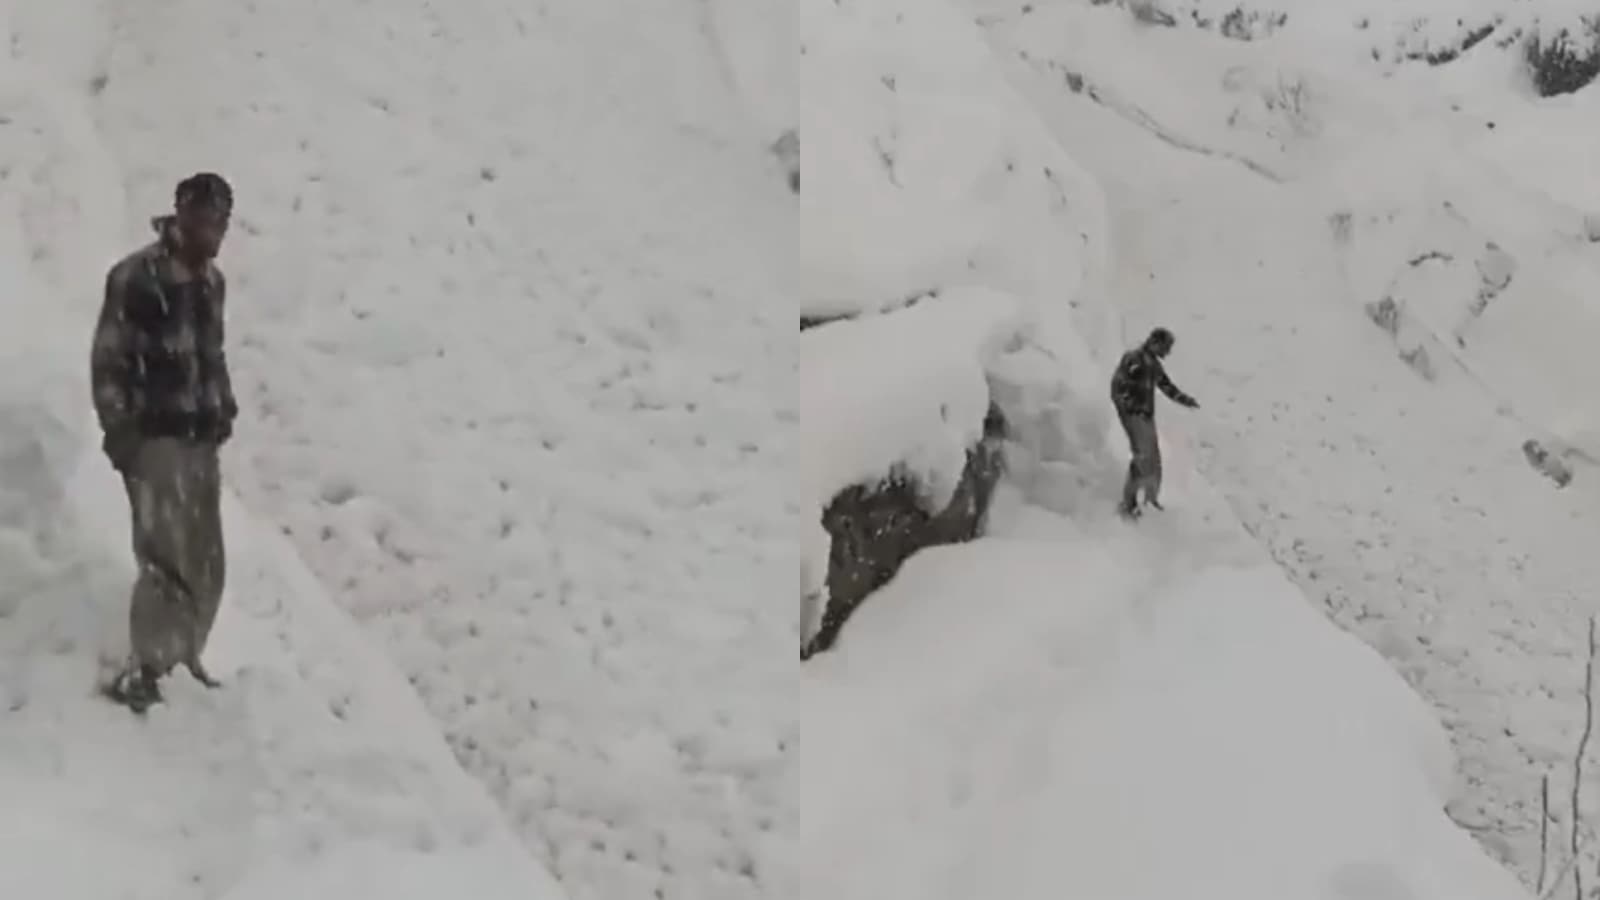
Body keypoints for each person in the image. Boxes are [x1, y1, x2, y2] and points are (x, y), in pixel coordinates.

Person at [90, 172, 238, 712]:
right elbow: (108, 358)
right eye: (204, 219)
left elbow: (211, 354)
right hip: (154, 440)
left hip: (200, 442)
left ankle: (182, 663)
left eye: (221, 222)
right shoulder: (136, 276)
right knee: (165, 561)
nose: (213, 231)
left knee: (208, 565)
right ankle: (148, 672)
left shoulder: (212, 283)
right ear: (180, 214)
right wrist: (122, 434)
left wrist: (223, 409)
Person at [1109, 326, 1198, 519]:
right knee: (1142, 457)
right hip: (1134, 415)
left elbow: (1167, 386)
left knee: (1154, 461)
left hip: (1146, 416)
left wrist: (1185, 400)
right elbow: (1117, 386)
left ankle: (1151, 501)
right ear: (1155, 343)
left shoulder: (1154, 365)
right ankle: (1128, 503)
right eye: (1166, 347)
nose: (1168, 352)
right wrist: (1127, 407)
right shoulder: (1134, 359)